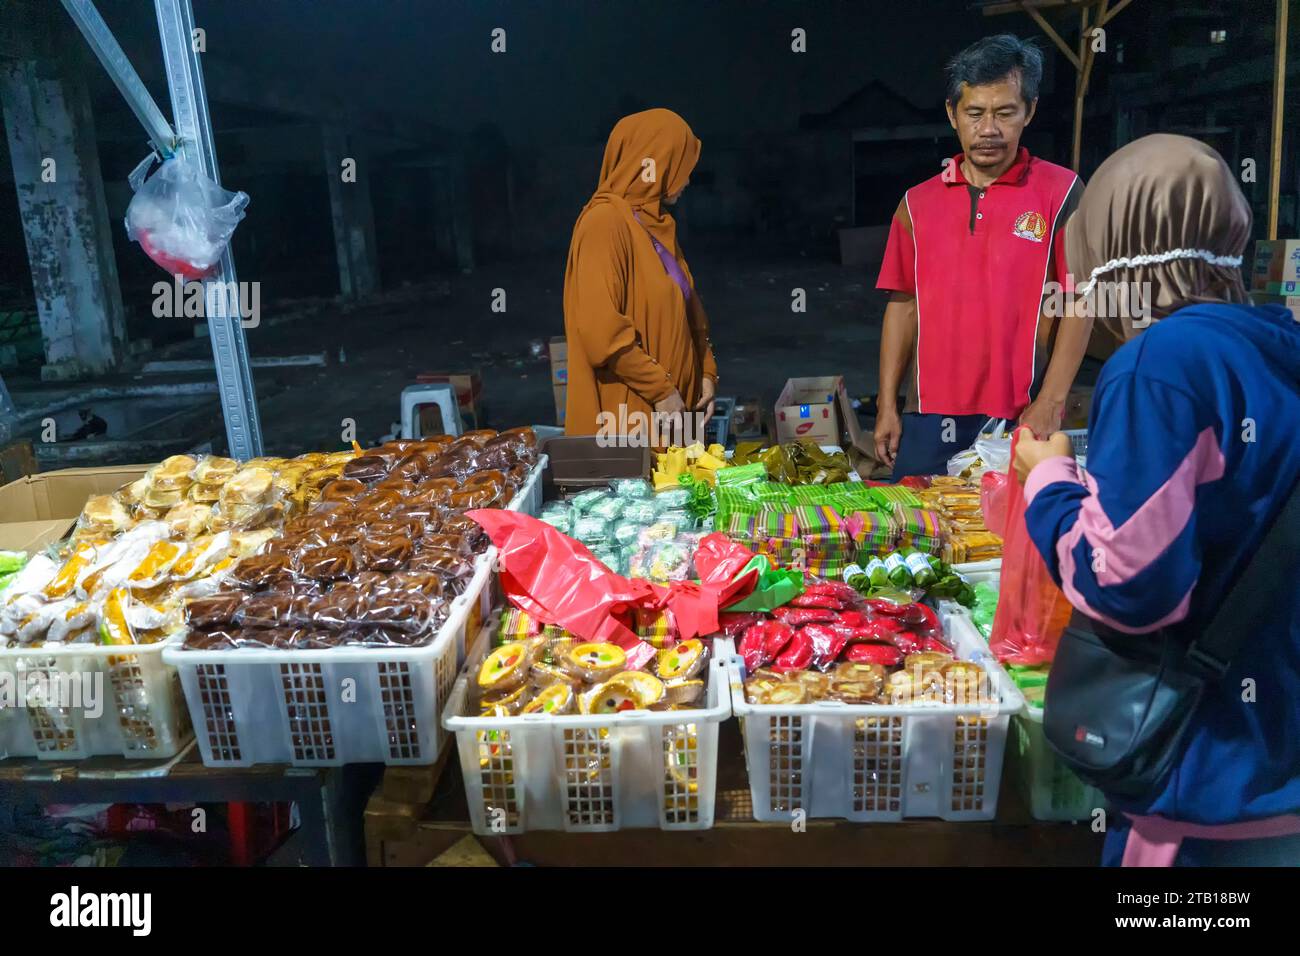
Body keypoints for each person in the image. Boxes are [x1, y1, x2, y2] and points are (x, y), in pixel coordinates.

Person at [1014, 134, 1300, 866]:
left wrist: (1049, 480)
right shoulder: (1278, 345)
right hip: (1277, 773)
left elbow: (1130, 583)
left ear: (1117, 250)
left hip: (1200, 788)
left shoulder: (1162, 363)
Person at [874, 34, 1089, 479]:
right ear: (953, 115)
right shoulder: (917, 203)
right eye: (975, 113)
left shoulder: (1062, 192)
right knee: (918, 537)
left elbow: (1079, 302)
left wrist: (1050, 402)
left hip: (1021, 415)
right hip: (927, 414)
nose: (988, 129)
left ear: (1028, 111)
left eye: (1005, 113)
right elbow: (902, 304)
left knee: (1007, 541)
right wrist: (886, 405)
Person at [563, 108, 718, 445]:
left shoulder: (656, 228)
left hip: (677, 420)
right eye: (678, 164)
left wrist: (706, 371)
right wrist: (661, 391)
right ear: (654, 162)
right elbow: (600, 333)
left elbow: (688, 312)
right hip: (633, 427)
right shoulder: (604, 225)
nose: (687, 179)